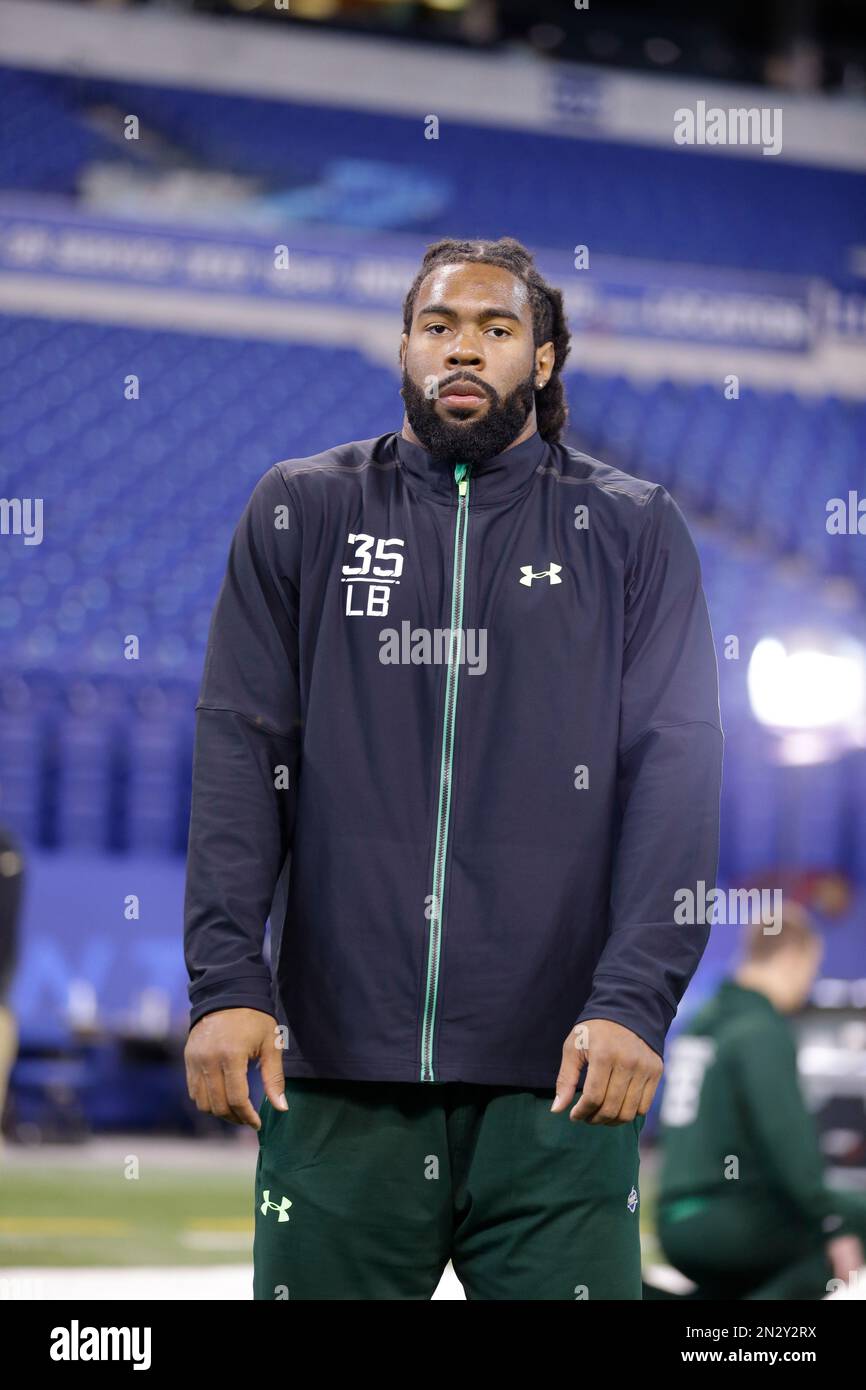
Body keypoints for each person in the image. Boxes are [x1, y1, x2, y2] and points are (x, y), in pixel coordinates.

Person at [183, 235, 724, 1300]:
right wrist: (226, 980)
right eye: (438, 326)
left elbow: (675, 779)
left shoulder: (630, 528)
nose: (461, 348)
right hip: (337, 1070)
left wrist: (632, 1001)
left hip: (561, 1072)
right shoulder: (303, 509)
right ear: (403, 347)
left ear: (546, 357)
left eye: (494, 327)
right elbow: (241, 750)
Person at [655, 902, 866, 1299]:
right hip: (725, 1217)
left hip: (673, 1217)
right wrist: (833, 1222)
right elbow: (789, 1146)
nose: (808, 985)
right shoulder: (760, 1029)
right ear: (791, 956)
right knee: (849, 1221)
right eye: (810, 969)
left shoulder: (704, 1022)